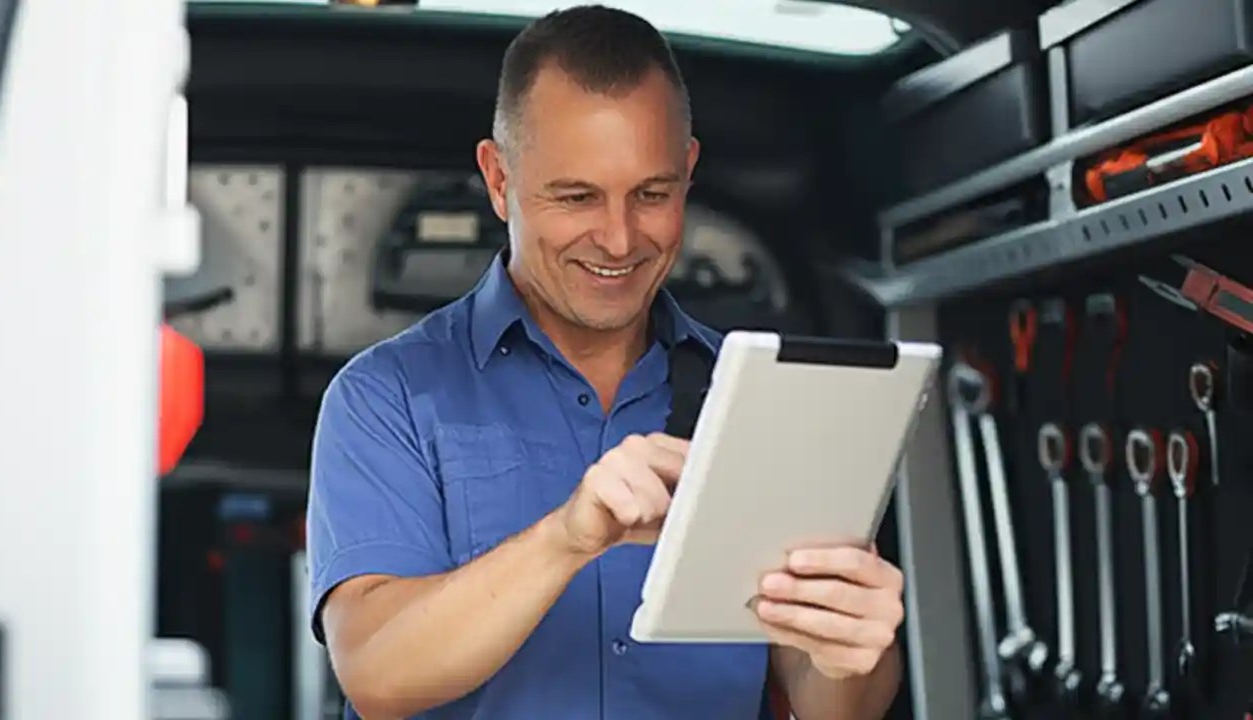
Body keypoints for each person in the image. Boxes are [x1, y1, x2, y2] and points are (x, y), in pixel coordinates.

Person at [306, 5, 905, 719]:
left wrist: (850, 651)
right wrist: (568, 537)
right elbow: (376, 672)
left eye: (651, 194)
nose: (619, 240)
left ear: (687, 172)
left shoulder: (765, 407)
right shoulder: (386, 398)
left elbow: (831, 703)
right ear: (499, 181)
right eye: (577, 196)